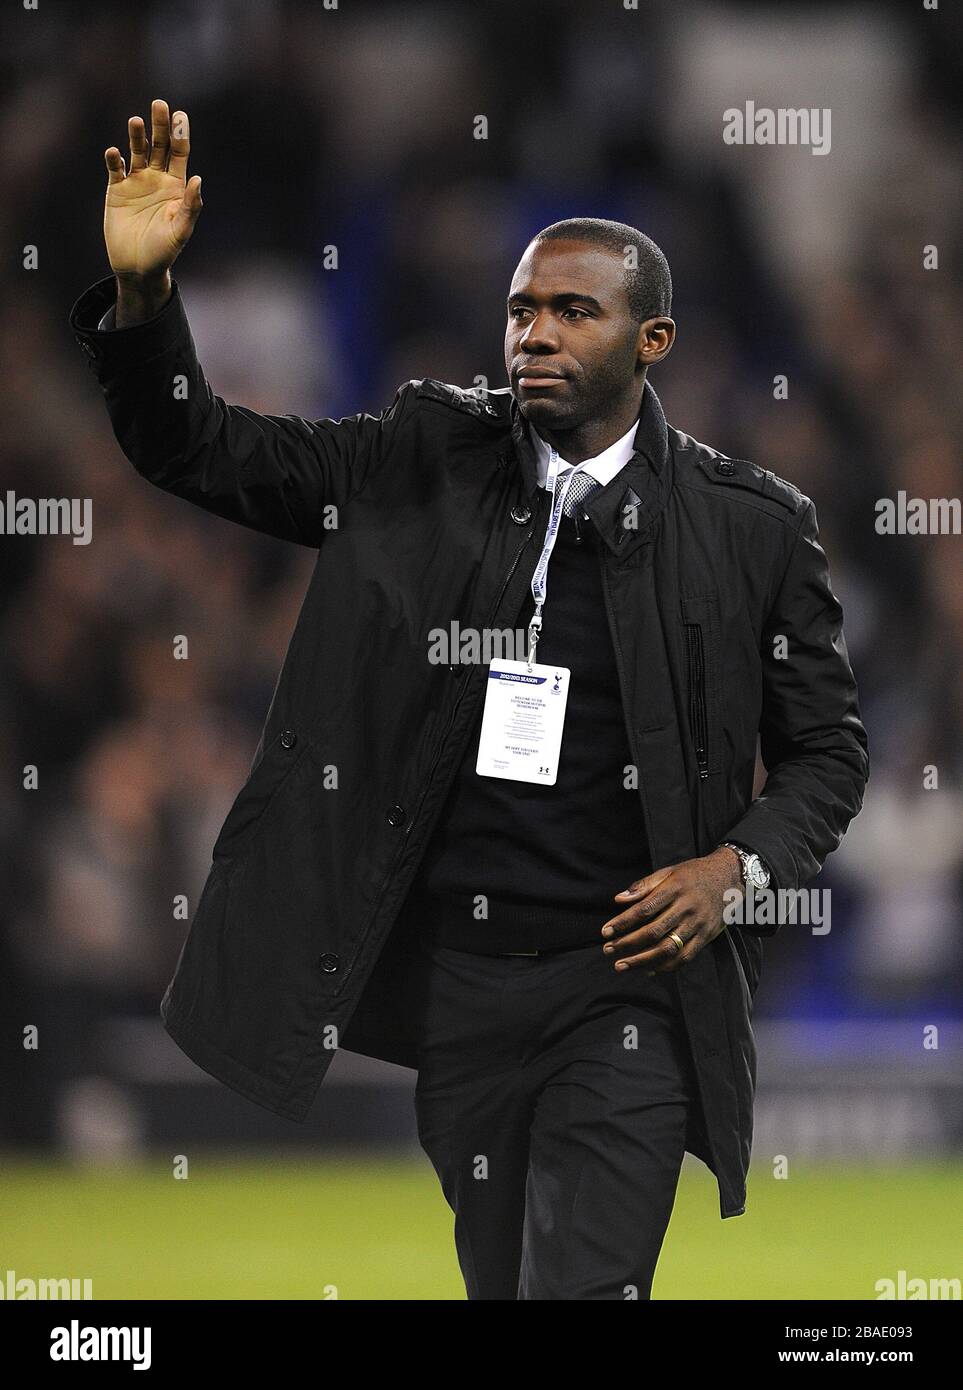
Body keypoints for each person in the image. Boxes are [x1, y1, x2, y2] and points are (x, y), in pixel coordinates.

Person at [70, 99, 870, 1300]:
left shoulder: (752, 530)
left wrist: (735, 871)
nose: (533, 335)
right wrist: (143, 306)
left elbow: (828, 754)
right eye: (520, 310)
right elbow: (208, 452)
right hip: (464, 991)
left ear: (651, 340)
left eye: (571, 311)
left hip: (629, 989)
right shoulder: (416, 457)